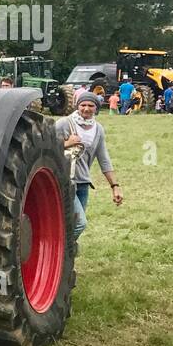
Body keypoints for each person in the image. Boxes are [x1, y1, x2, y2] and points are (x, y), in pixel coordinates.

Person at [56, 90, 123, 240]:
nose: (86, 109)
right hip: (64, 181)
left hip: (83, 183)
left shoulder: (98, 129)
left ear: (96, 108)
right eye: (83, 105)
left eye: (91, 105)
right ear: (77, 106)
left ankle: (63, 258)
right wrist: (66, 143)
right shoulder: (64, 124)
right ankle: (59, 252)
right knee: (80, 223)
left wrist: (115, 186)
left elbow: (104, 159)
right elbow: (44, 146)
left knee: (70, 224)